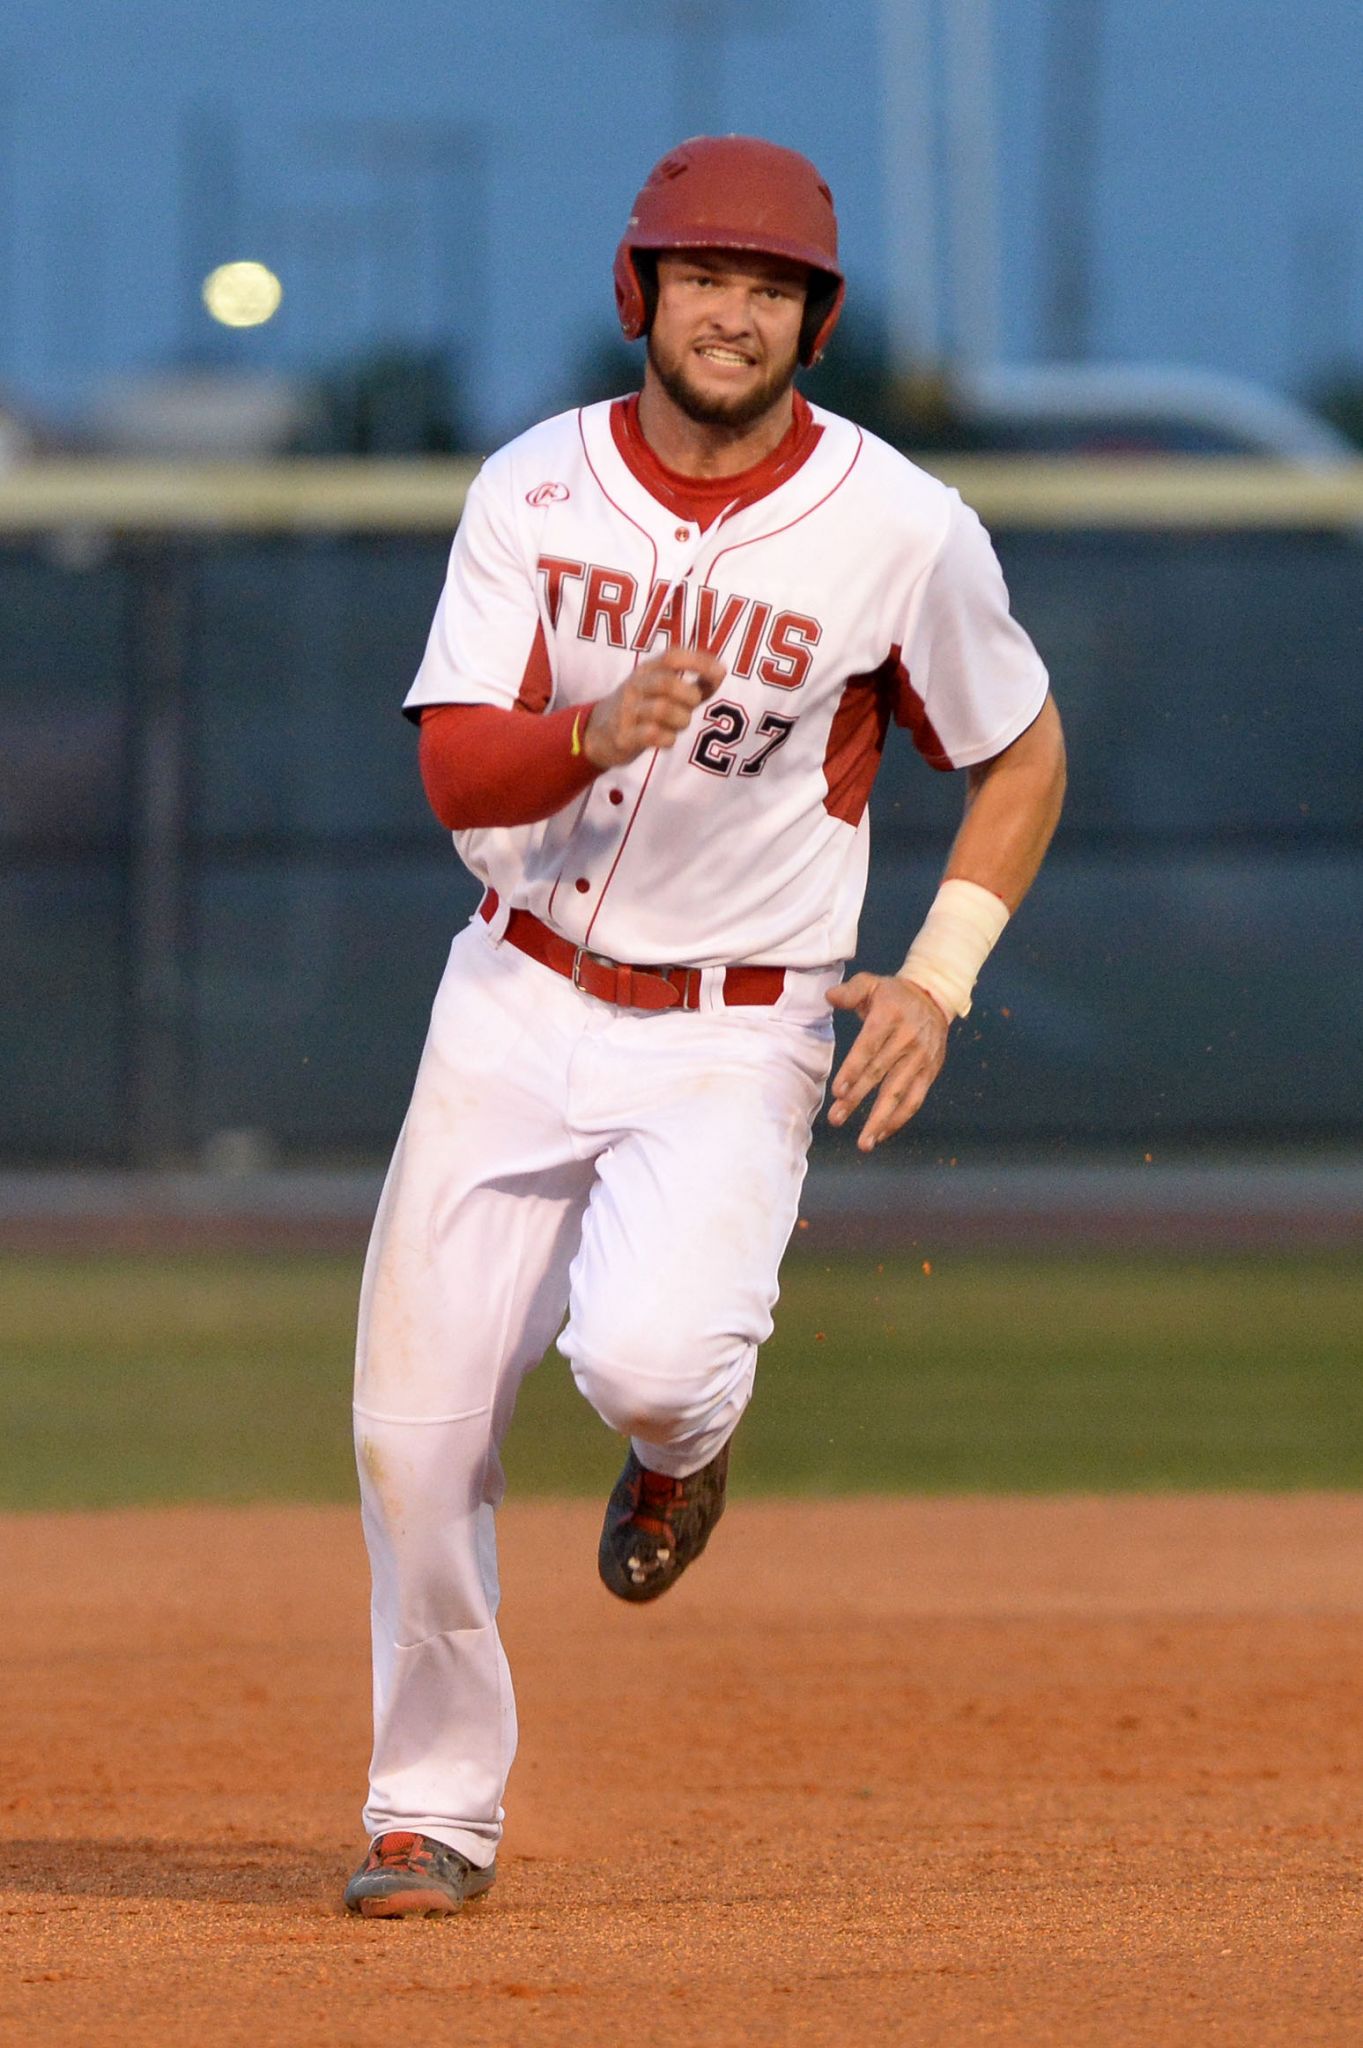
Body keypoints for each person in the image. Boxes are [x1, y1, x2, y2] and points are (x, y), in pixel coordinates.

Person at [343, 134, 1066, 1918]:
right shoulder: (538, 486)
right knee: (411, 1439)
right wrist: (588, 735)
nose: (731, 313)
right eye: (701, 278)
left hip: (738, 1028)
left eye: (769, 289)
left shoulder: (902, 528)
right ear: (639, 294)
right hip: (511, 993)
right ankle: (430, 1809)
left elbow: (1024, 754)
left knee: (654, 1365)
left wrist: (945, 971)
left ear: (812, 324)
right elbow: (453, 759)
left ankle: (686, 1454)